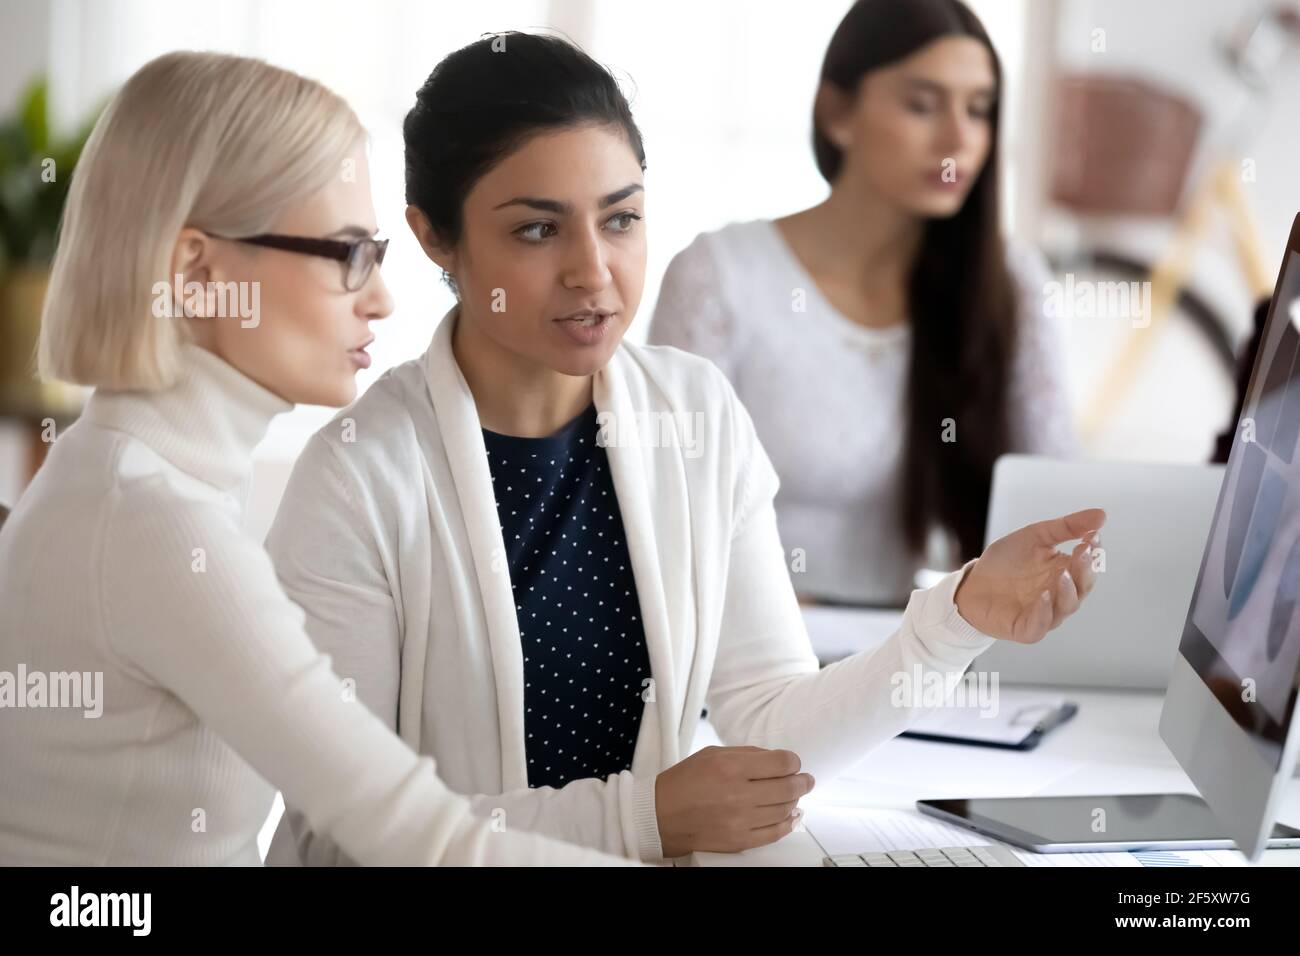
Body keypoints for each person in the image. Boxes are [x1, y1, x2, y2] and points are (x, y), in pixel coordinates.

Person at [267, 32, 1104, 866]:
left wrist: (954, 623)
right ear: (436, 239)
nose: (593, 272)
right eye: (536, 231)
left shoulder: (693, 411)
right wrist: (642, 818)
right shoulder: (356, 476)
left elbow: (772, 721)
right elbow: (350, 834)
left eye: (621, 218)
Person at [0, 51, 634, 867]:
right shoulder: (154, 520)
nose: (381, 297)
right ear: (197, 271)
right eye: (345, 255)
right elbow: (420, 839)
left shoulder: (135, 473)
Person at [650, 0, 1075, 605]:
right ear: (838, 113)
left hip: (905, 652)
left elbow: (1055, 493)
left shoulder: (1008, 284)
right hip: (738, 653)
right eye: (922, 105)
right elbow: (665, 518)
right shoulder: (719, 278)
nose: (959, 139)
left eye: (979, 110)